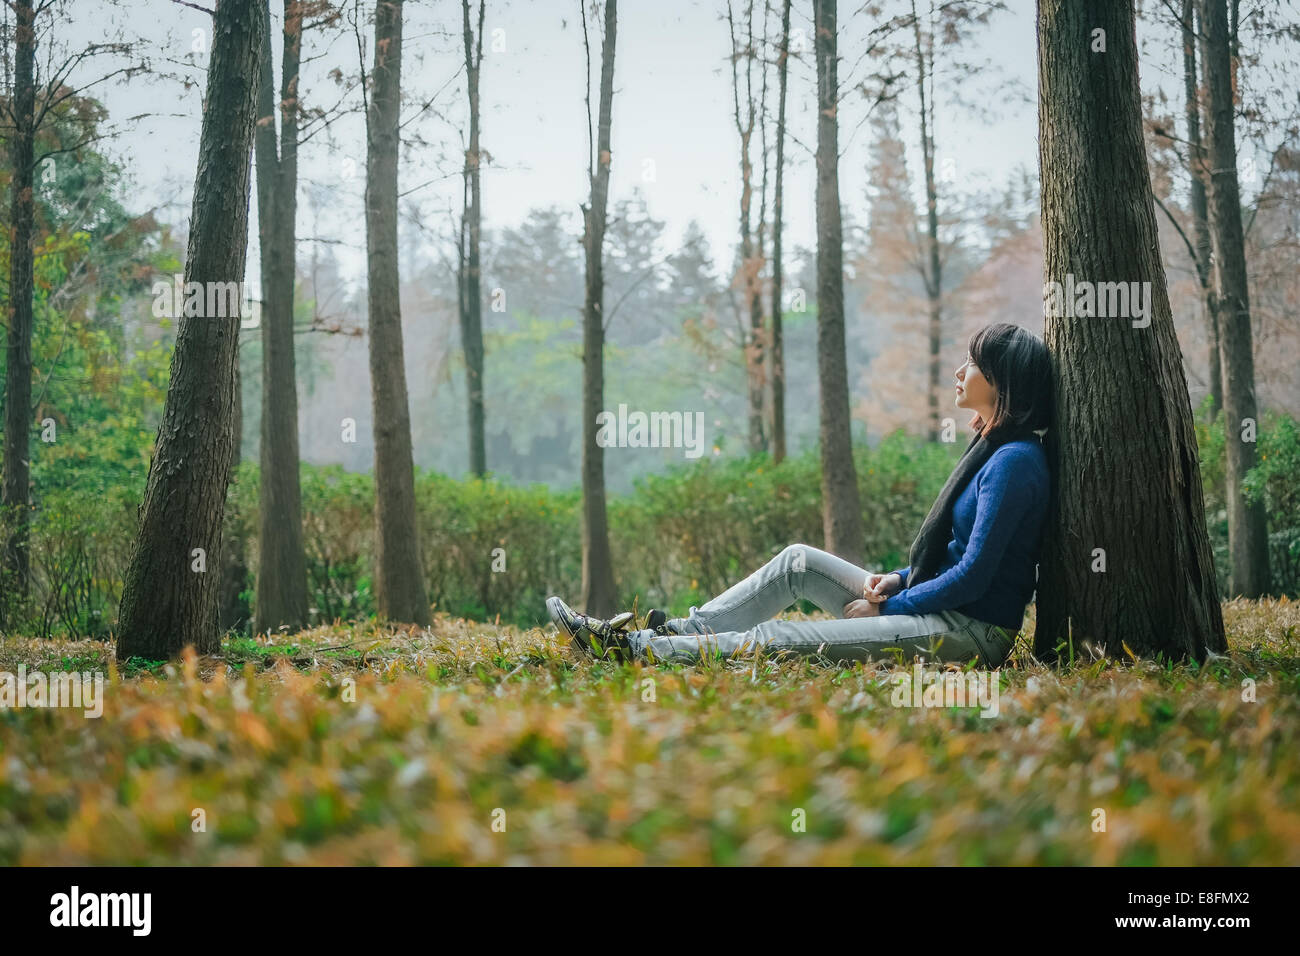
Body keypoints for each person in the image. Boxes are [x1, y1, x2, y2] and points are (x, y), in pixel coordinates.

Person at [547, 322, 1053, 669]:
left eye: (973, 363)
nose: (959, 372)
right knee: (797, 562)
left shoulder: (1013, 463)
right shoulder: (992, 447)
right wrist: (896, 580)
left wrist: (890, 607)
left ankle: (634, 651)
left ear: (1002, 380)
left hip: (968, 633)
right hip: (934, 604)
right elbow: (952, 555)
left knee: (777, 640)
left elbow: (973, 575)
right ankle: (676, 631)